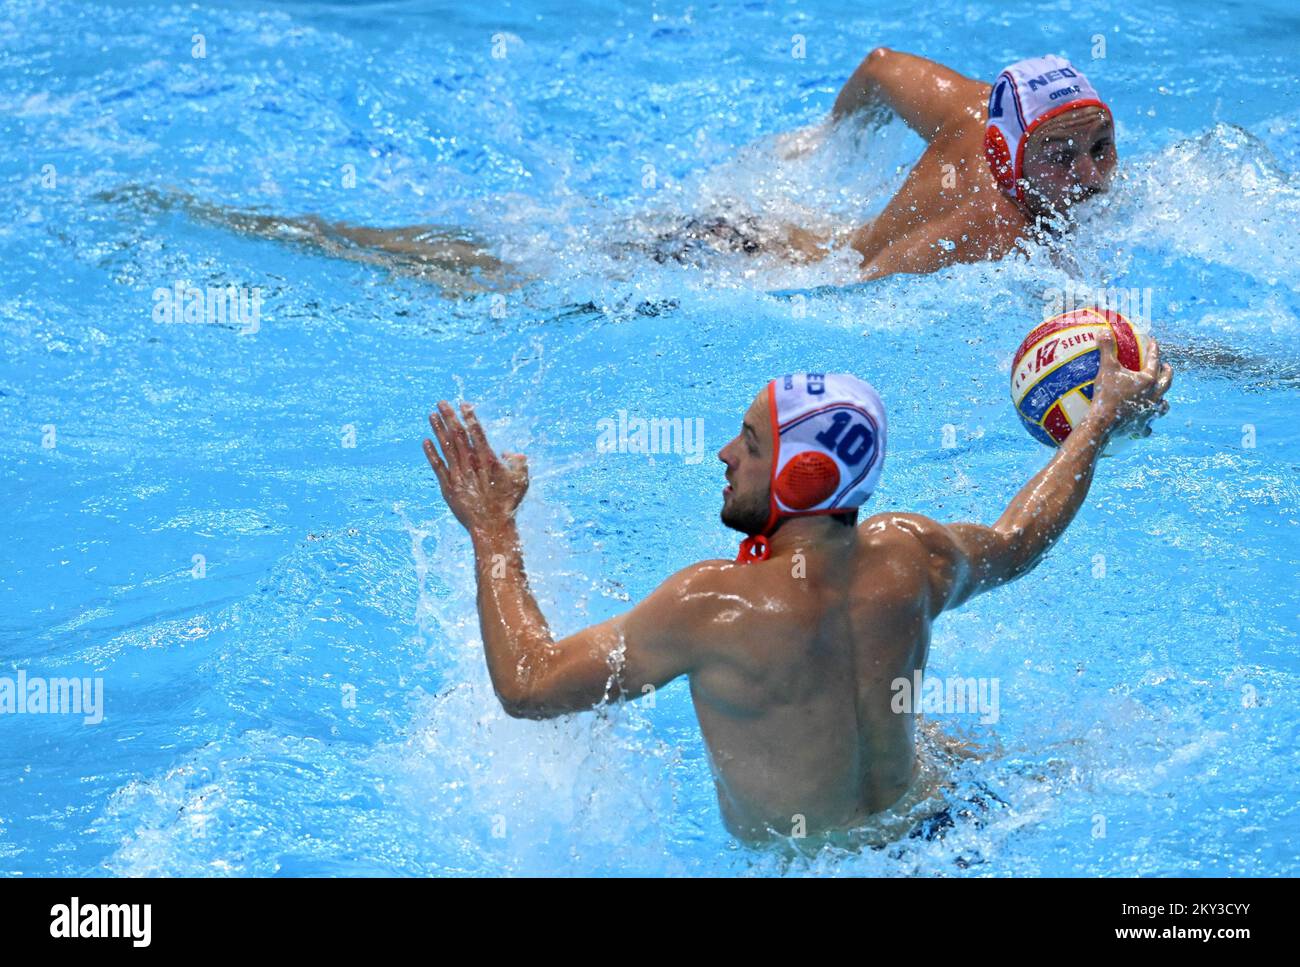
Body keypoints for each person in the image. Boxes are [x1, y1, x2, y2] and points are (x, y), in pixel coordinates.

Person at [420, 328, 1172, 845]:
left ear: (802, 475)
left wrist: (492, 530)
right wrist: (1097, 421)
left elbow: (527, 685)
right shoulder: (914, 555)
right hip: (933, 836)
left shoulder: (712, 604)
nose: (723, 454)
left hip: (810, 863)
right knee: (949, 739)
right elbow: (1019, 541)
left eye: (749, 446)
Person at [775, 51, 1118, 278]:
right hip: (778, 269)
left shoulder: (977, 109)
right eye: (1060, 157)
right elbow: (853, 287)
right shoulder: (999, 235)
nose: (1092, 176)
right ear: (1004, 158)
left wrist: (825, 139)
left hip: (823, 236)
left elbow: (878, 68)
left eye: (1101, 147)